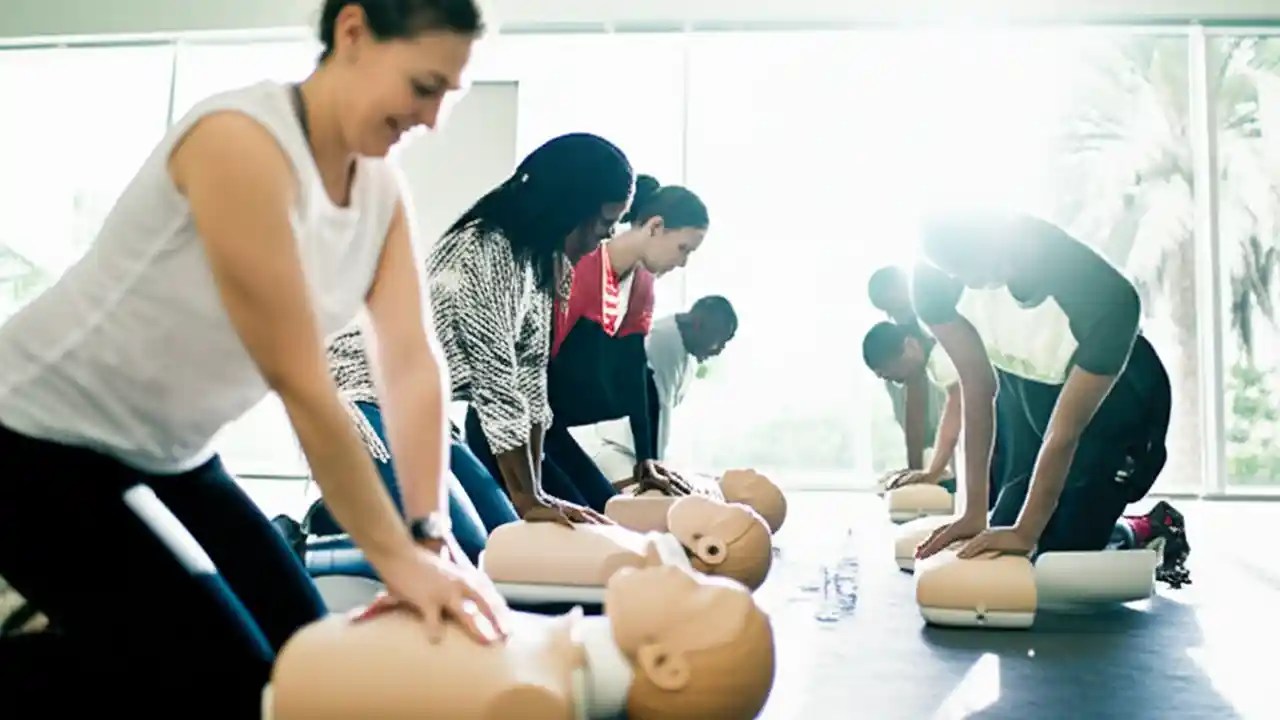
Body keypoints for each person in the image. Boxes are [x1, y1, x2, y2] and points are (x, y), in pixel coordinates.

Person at [0, 1, 510, 712]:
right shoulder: (238, 143)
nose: (431, 120)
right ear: (353, 33)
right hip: (35, 440)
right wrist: (394, 561)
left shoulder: (380, 195)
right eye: (424, 87)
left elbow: (412, 366)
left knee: (308, 659)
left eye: (448, 98)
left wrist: (427, 535)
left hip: (174, 453)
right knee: (228, 679)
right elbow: (300, 381)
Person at [908, 211, 1188, 583]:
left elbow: (1065, 432)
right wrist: (973, 510)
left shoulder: (1105, 295)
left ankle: (1148, 528)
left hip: (1116, 396)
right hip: (1030, 386)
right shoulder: (931, 281)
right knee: (999, 533)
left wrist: (1028, 532)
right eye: (960, 274)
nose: (972, 282)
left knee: (1058, 554)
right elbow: (976, 389)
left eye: (978, 268)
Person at [429, 132, 634, 527]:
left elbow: (531, 384)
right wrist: (527, 500)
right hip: (367, 405)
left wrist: (539, 493)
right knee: (475, 542)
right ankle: (319, 536)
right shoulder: (486, 249)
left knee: (502, 527)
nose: (609, 235)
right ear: (569, 209)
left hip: (425, 415)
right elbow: (497, 386)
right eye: (606, 222)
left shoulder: (540, 263)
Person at [544, 175, 712, 507]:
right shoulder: (582, 268)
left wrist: (645, 458)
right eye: (683, 249)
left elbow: (636, 374)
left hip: (554, 427)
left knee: (609, 509)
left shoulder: (642, 286)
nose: (682, 262)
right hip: (515, 427)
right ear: (655, 227)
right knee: (582, 525)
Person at [862, 321, 961, 492]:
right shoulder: (926, 369)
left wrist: (932, 474)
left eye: (894, 373)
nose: (894, 380)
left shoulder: (943, 361)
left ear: (910, 346)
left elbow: (955, 420)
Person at [867, 266, 947, 472]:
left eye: (894, 306)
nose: (893, 315)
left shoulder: (936, 325)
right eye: (887, 310)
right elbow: (914, 426)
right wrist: (917, 473)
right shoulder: (904, 357)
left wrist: (922, 473)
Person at [644, 295, 738, 461]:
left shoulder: (683, 348)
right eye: (720, 340)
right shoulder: (661, 343)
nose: (718, 350)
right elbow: (658, 411)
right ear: (699, 323)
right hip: (625, 452)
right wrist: (656, 469)